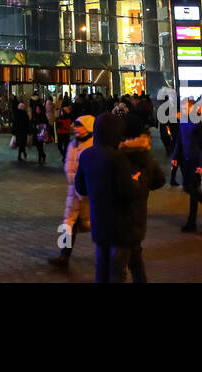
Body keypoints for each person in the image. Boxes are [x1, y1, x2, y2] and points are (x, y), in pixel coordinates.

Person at [74, 113, 137, 283]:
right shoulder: (118, 158)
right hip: (120, 223)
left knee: (101, 267)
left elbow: (80, 187)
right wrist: (135, 181)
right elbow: (127, 192)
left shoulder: (86, 155)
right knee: (118, 271)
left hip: (99, 221)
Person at [118, 118, 167, 281]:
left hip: (122, 218)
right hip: (138, 217)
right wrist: (144, 187)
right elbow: (160, 180)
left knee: (119, 265)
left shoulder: (121, 156)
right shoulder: (146, 157)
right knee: (135, 260)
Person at [48, 114, 95, 268]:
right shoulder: (72, 145)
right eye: (76, 125)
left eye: (80, 125)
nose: (76, 128)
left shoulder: (94, 145)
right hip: (73, 193)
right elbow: (69, 167)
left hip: (90, 195)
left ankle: (112, 255)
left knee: (96, 224)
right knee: (69, 224)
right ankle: (64, 255)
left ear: (88, 127)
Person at [170, 100, 202, 232]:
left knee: (192, 190)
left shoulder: (198, 121)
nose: (183, 109)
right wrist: (175, 157)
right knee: (189, 188)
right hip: (185, 159)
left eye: (186, 107)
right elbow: (179, 140)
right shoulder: (183, 121)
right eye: (182, 107)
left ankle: (192, 222)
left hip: (195, 160)